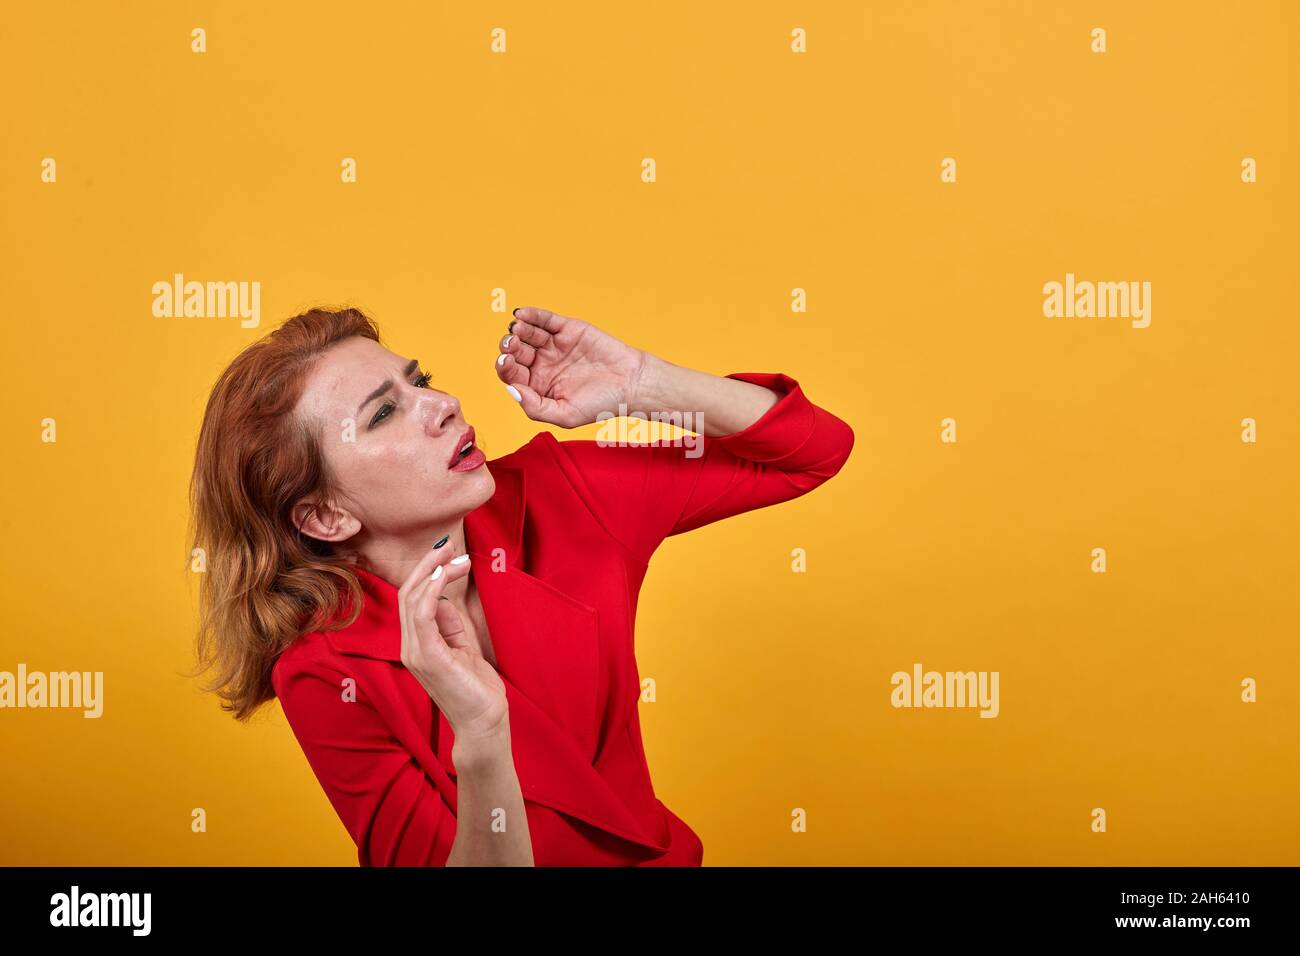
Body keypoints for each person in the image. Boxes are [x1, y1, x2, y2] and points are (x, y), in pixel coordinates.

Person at [188, 304, 854, 865]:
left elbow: (814, 452)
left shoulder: (560, 494)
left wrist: (642, 384)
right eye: (384, 414)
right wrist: (481, 738)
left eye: (419, 381)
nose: (442, 405)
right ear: (327, 515)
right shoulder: (328, 670)